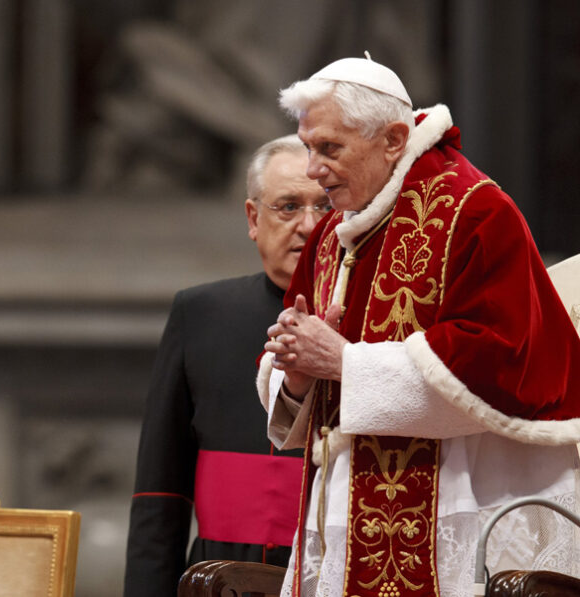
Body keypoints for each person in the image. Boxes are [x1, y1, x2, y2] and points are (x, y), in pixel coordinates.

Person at [259, 56, 580, 597]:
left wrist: (344, 363)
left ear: (392, 139)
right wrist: (295, 373)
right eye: (308, 146)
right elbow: (297, 351)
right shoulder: (337, 229)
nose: (312, 168)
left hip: (465, 504)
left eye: (329, 148)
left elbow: (497, 361)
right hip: (346, 505)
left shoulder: (475, 211)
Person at [124, 135, 329, 596]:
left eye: (326, 206)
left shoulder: (376, 323)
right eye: (288, 206)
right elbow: (160, 496)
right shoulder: (200, 314)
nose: (309, 225)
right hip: (216, 581)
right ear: (254, 219)